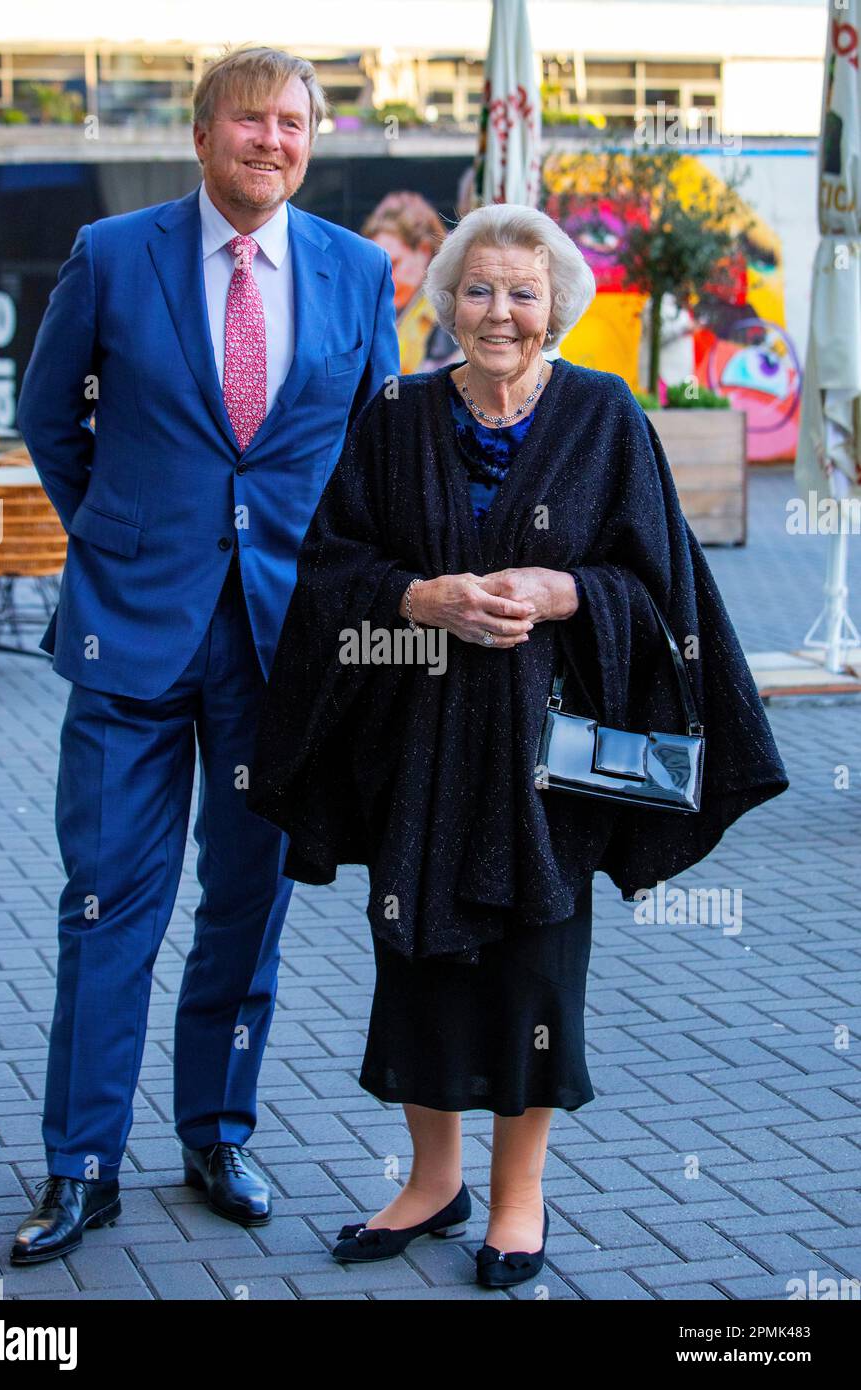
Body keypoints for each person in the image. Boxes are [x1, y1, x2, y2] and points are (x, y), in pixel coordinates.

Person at [246, 202, 789, 1288]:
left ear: (556, 308)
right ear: (446, 302)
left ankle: (516, 1197)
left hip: (548, 760)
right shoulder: (396, 414)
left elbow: (663, 586)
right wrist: (418, 595)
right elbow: (327, 571)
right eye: (479, 289)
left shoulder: (603, 415)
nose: (499, 311)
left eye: (522, 291)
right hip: (421, 747)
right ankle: (429, 1180)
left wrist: (566, 591)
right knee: (413, 960)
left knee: (533, 972)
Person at [9, 45, 400, 1265]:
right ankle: (81, 1163)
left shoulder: (354, 273)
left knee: (247, 905)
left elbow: (375, 451)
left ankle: (215, 1129)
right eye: (249, 121)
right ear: (202, 134)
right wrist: (114, 532)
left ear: (311, 139)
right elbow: (43, 414)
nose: (271, 141)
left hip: (280, 648)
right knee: (106, 902)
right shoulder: (113, 254)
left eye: (292, 123)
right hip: (131, 633)